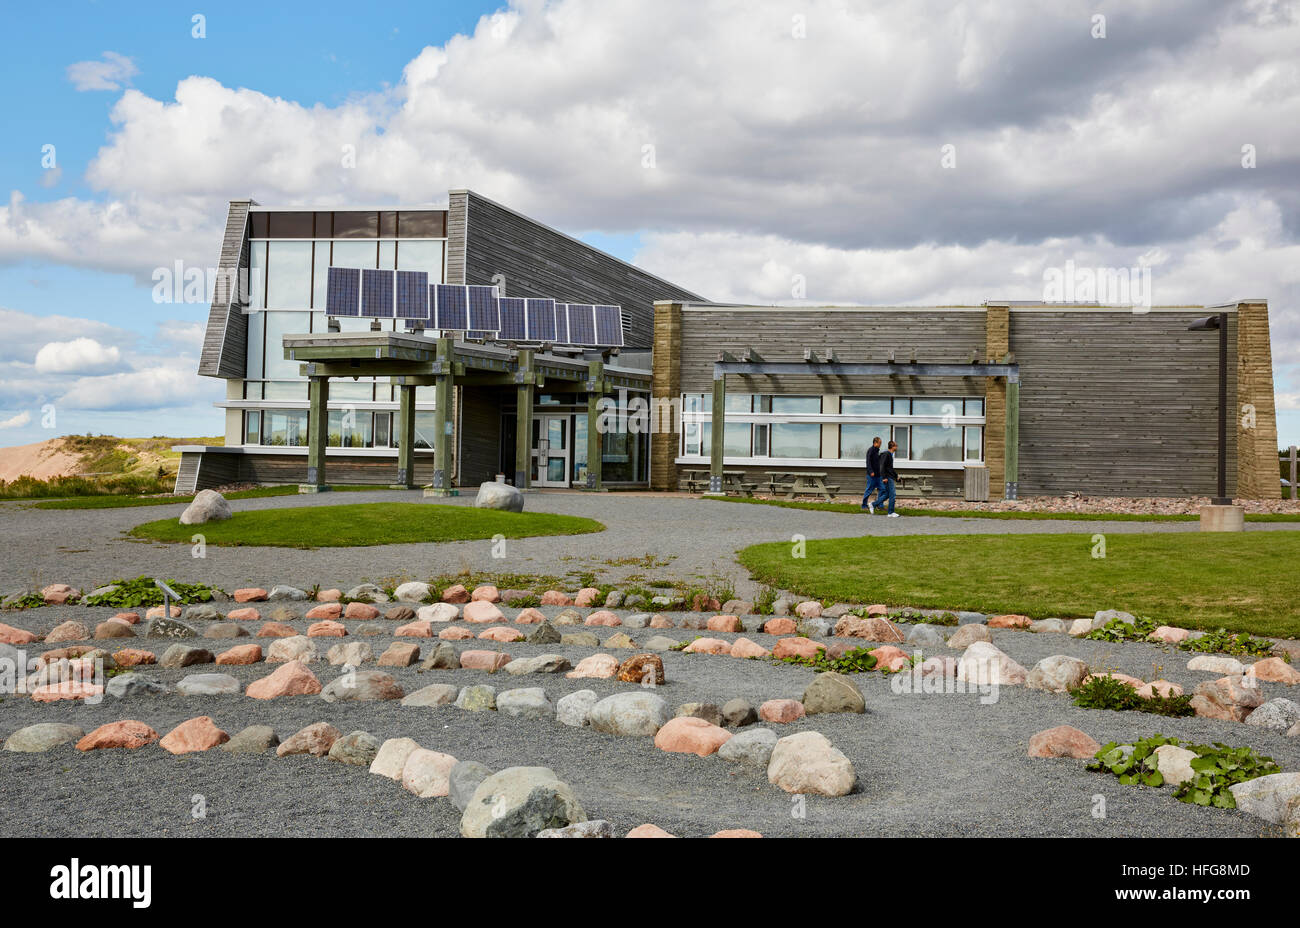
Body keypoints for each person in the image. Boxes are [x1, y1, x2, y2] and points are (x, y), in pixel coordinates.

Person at [878, 440, 901, 517]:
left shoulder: (890, 455)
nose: (897, 447)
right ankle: (891, 512)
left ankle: (873, 504)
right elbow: (882, 466)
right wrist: (884, 477)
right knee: (893, 494)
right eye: (896, 445)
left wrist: (896, 476)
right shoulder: (886, 454)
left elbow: (890, 468)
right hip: (887, 477)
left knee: (887, 494)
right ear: (892, 446)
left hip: (890, 476)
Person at [861, 436, 884, 513]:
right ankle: (864, 505)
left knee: (882, 489)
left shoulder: (877, 451)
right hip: (872, 475)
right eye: (880, 442)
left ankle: (879, 505)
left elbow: (877, 462)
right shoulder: (870, 450)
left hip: (878, 475)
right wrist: (871, 471)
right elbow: (868, 462)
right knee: (869, 490)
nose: (881, 444)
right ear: (875, 443)